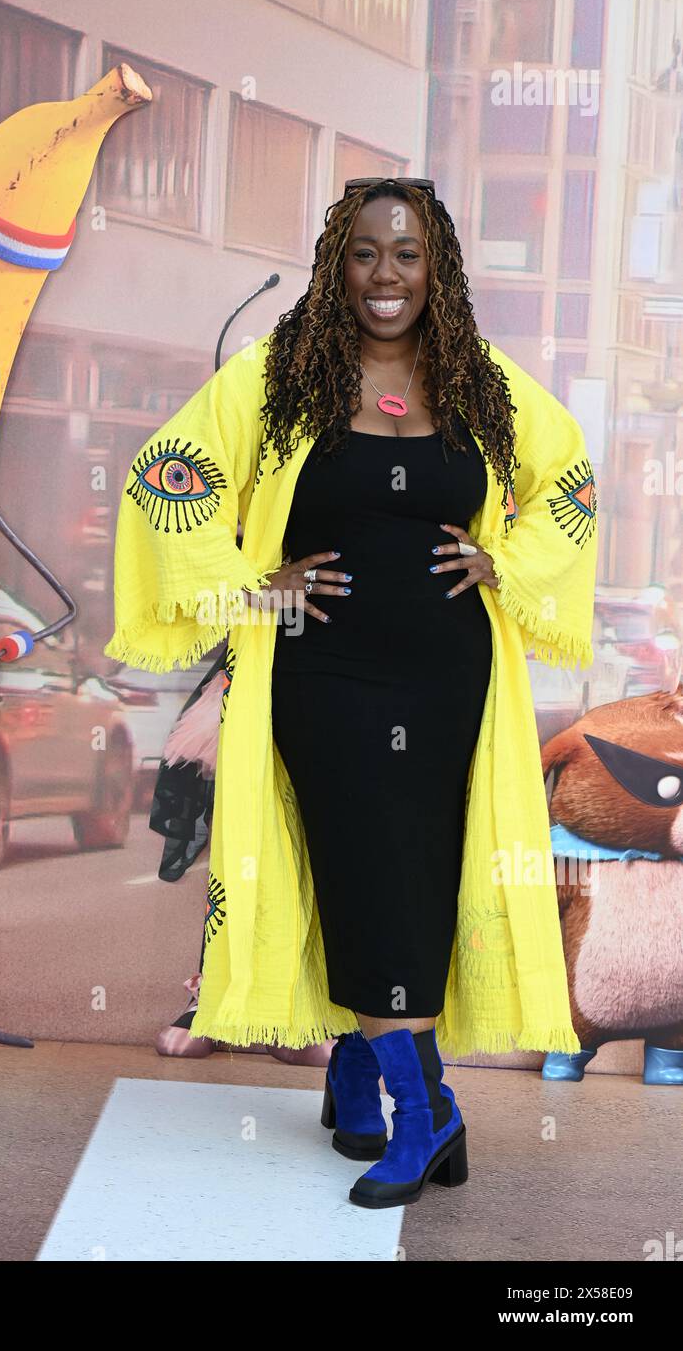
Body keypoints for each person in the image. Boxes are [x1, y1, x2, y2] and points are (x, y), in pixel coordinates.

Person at [105, 176, 598, 1208]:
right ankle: (429, 1116)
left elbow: (568, 480)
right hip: (321, 675)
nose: (385, 275)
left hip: (447, 675)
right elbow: (168, 468)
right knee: (358, 867)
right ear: (340, 263)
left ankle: (356, 1071)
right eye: (366, 253)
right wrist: (251, 583)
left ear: (436, 268)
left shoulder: (480, 383)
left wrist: (507, 564)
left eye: (406, 253)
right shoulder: (279, 376)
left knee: (409, 876)